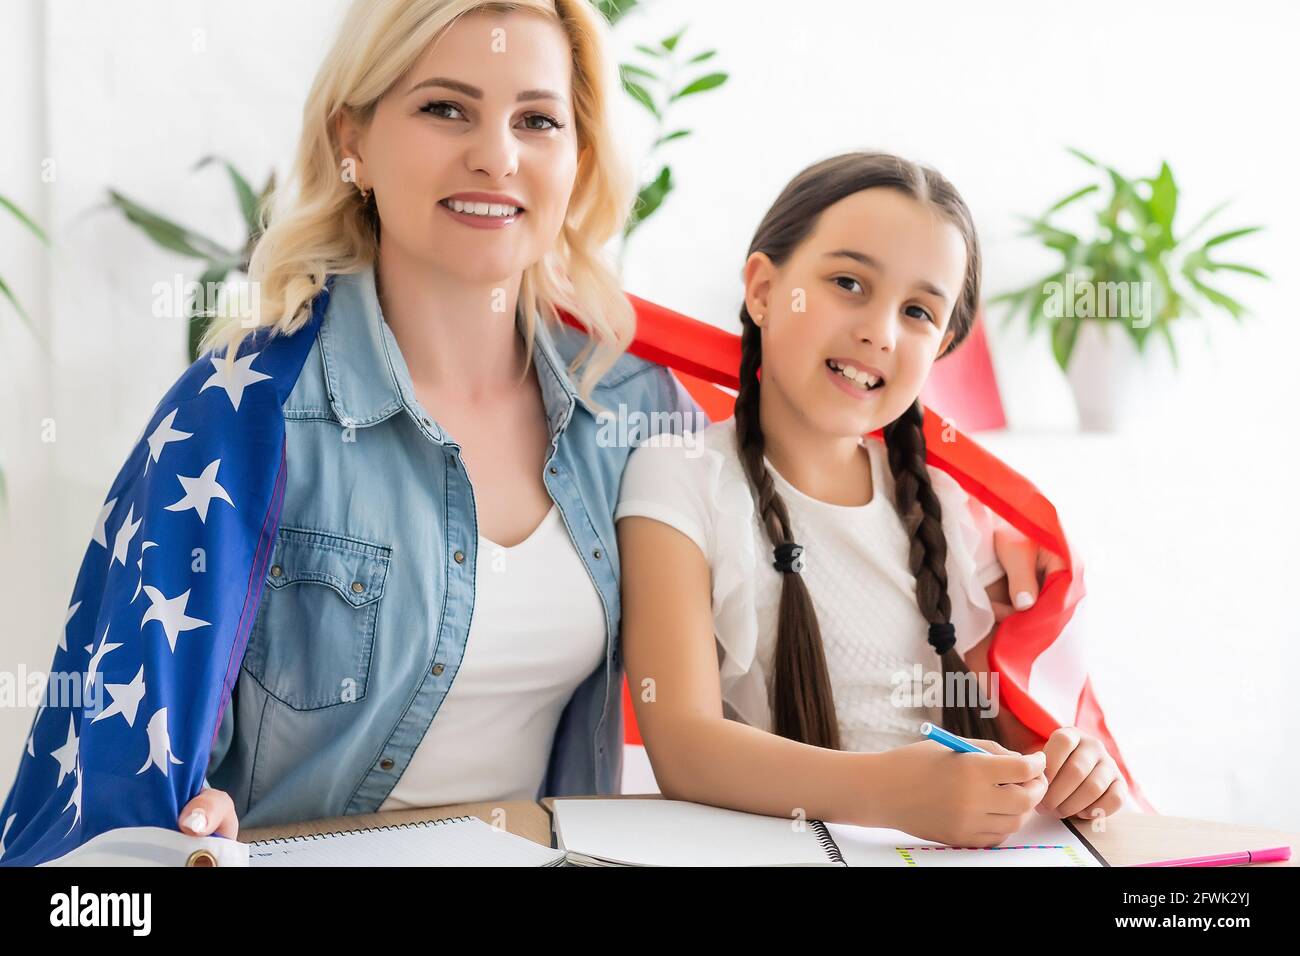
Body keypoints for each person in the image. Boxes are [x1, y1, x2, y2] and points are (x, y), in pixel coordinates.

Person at [615, 152, 1130, 849]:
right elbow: (683, 746)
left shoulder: (948, 505)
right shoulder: (678, 475)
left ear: (942, 343)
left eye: (917, 311)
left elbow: (1010, 735)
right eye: (848, 282)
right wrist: (889, 792)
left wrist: (1073, 767)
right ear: (763, 289)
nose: (879, 333)